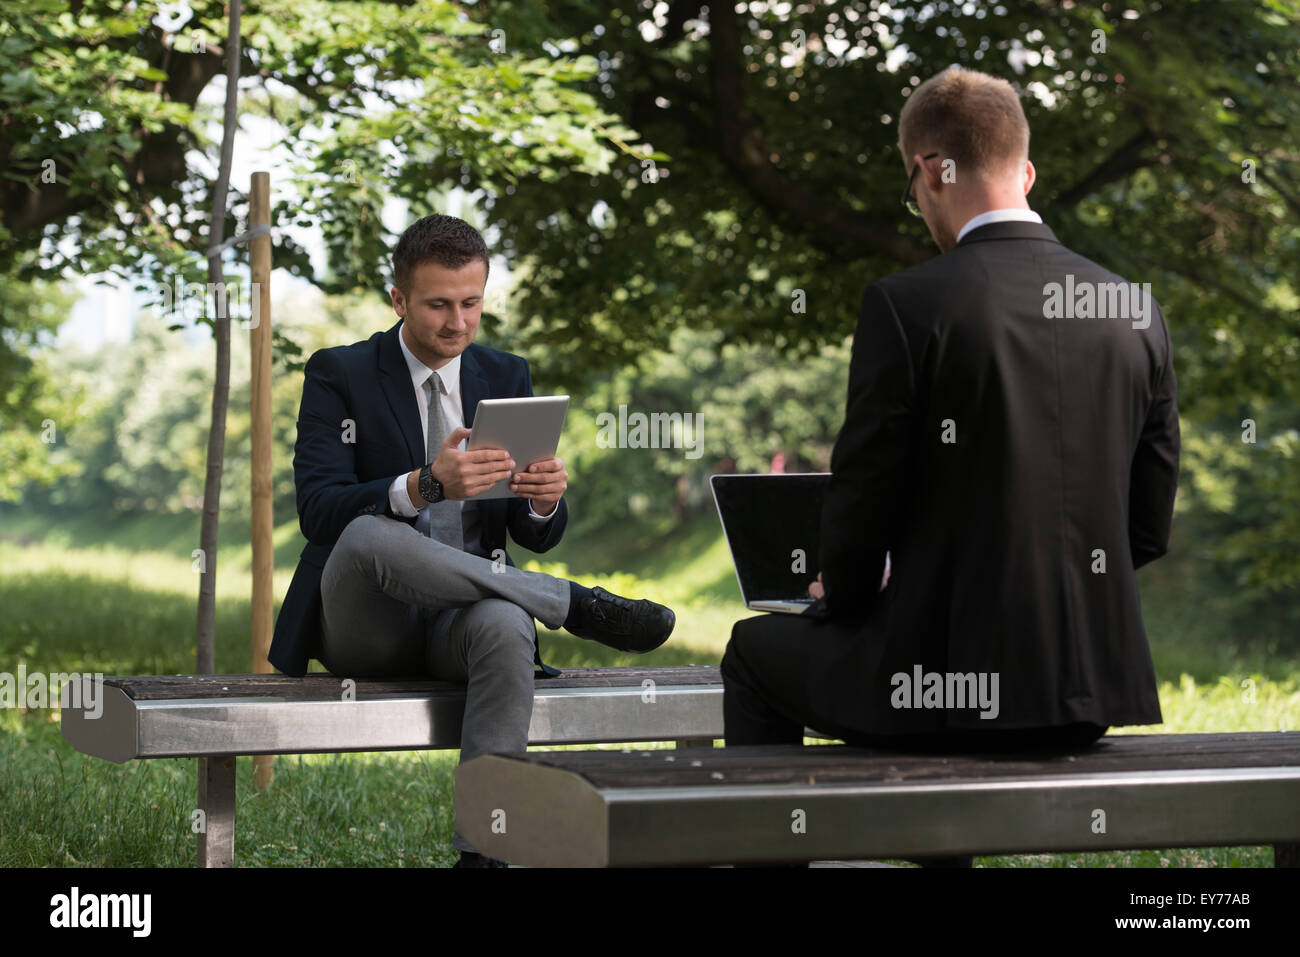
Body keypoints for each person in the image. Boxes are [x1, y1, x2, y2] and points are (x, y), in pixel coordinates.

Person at [721, 65, 1179, 776]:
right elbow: (1146, 528)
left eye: (912, 193)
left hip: (934, 694)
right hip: (1088, 692)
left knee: (751, 653)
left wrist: (839, 594)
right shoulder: (1134, 307)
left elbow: (864, 496)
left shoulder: (908, 305)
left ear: (931, 170)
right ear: (1024, 173)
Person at [269, 214, 675, 868]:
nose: (457, 322)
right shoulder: (338, 374)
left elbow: (527, 530)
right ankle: (570, 603)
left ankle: (486, 851)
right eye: (437, 305)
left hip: (461, 618)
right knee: (370, 528)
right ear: (399, 300)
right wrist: (424, 484)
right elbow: (318, 512)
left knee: (508, 624)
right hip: (369, 621)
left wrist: (543, 501)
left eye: (471, 303)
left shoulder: (505, 373)